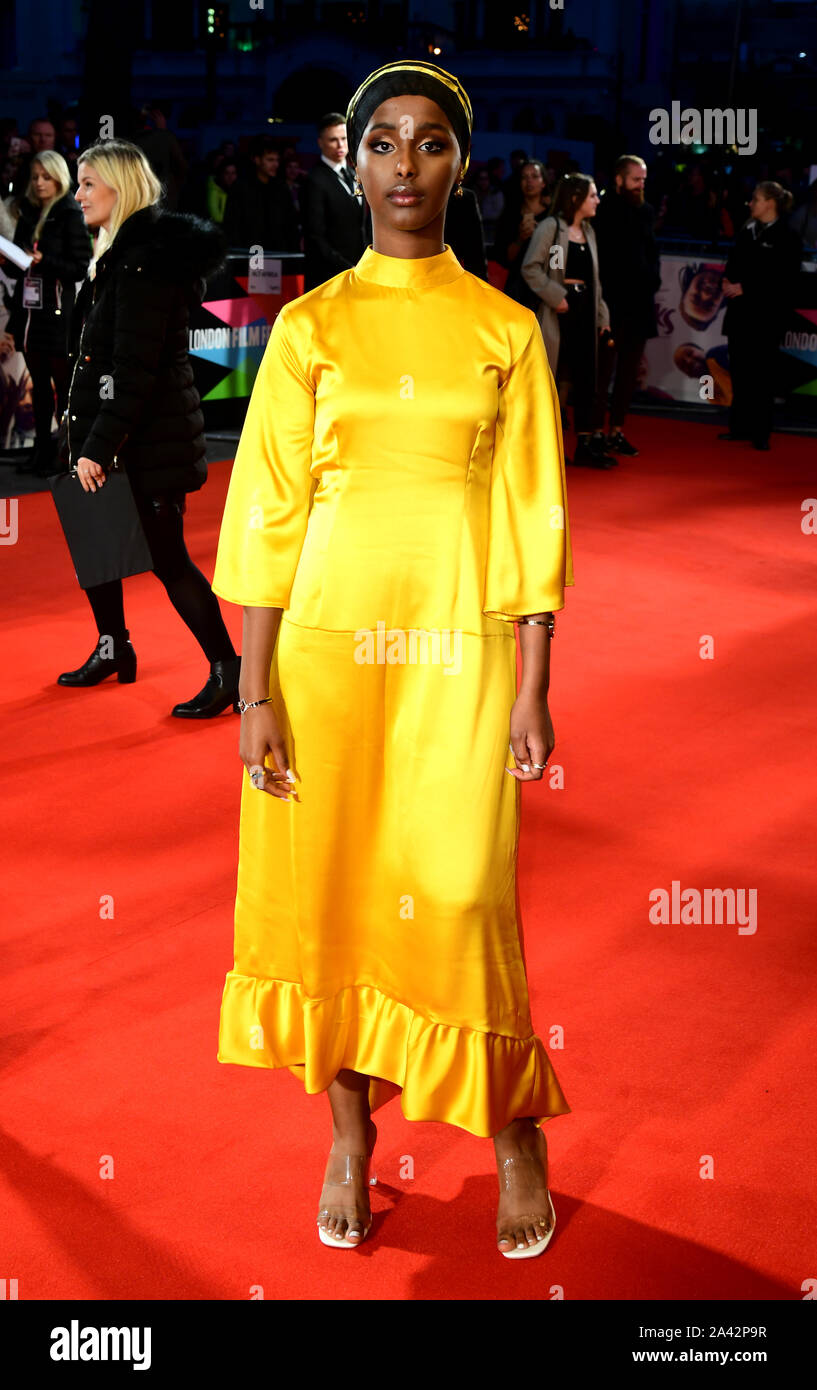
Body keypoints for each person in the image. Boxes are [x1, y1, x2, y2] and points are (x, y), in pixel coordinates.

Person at [211, 58, 573, 1258]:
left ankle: (513, 1134)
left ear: (461, 162)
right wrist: (253, 692)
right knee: (331, 899)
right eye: (382, 142)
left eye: (429, 142)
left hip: (458, 655)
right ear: (352, 161)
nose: (404, 164)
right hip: (322, 656)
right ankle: (348, 1136)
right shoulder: (309, 327)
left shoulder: (504, 329)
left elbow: (530, 514)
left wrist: (532, 681)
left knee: (463, 893)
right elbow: (266, 517)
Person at [55, 138, 242, 717]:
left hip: (147, 440)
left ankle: (228, 669)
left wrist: (98, 445)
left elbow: (134, 370)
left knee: (168, 559)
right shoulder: (118, 253)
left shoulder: (145, 263)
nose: (78, 194)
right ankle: (113, 647)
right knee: (96, 539)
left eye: (88, 183)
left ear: (121, 188)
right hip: (113, 433)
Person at [2, 149, 91, 476]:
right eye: (36, 177)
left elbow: (79, 267)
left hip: (57, 314)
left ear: (59, 179)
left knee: (63, 389)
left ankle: (65, 454)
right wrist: (8, 262)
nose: (39, 183)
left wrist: (44, 262)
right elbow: (19, 269)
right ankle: (40, 453)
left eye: (46, 177)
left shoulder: (70, 213)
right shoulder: (27, 212)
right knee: (39, 388)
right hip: (30, 315)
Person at [521, 173, 616, 468]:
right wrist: (556, 296)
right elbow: (531, 267)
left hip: (586, 308)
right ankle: (546, 448)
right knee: (552, 378)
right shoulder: (551, 227)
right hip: (560, 310)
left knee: (587, 376)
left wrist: (602, 316)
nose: (597, 200)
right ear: (575, 198)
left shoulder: (589, 231)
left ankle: (585, 444)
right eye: (592, 195)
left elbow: (596, 280)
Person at [719, 181, 802, 451]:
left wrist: (746, 287)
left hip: (767, 318)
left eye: (755, 199)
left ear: (770, 203)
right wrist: (727, 281)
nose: (750, 203)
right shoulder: (748, 230)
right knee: (739, 371)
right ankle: (739, 427)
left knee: (762, 375)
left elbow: (785, 279)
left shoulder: (788, 236)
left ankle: (760, 431)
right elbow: (733, 262)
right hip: (739, 314)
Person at [593, 155, 661, 458]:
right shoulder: (602, 209)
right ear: (619, 179)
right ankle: (595, 431)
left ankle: (616, 430)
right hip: (611, 306)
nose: (641, 185)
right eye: (636, 179)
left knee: (628, 373)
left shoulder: (646, 211)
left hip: (639, 306)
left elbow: (652, 254)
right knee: (602, 371)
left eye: (643, 179)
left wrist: (653, 282)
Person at [301, 112, 367, 291]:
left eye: (344, 138)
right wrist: (346, 267)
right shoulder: (314, 180)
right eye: (333, 140)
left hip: (361, 270)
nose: (340, 145)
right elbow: (315, 236)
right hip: (330, 275)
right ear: (320, 143)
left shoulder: (355, 174)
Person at [222, 137, 300, 252]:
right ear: (257, 160)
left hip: (278, 252)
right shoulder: (241, 187)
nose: (275, 164)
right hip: (249, 252)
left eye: (277, 160)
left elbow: (290, 224)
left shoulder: (281, 188)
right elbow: (232, 225)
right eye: (270, 160)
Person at [492, 159, 551, 311]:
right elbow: (505, 258)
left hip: (547, 285)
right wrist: (520, 239)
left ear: (543, 182)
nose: (529, 181)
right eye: (524, 177)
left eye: (534, 176)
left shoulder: (552, 215)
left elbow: (559, 256)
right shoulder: (510, 215)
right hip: (518, 287)